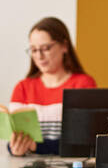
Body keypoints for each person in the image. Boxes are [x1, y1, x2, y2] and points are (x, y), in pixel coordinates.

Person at [6, 16, 96, 156]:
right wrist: (15, 148)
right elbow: (13, 138)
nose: (39, 56)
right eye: (34, 50)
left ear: (64, 46)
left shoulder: (83, 84)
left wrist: (38, 146)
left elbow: (83, 142)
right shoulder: (22, 87)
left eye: (46, 48)